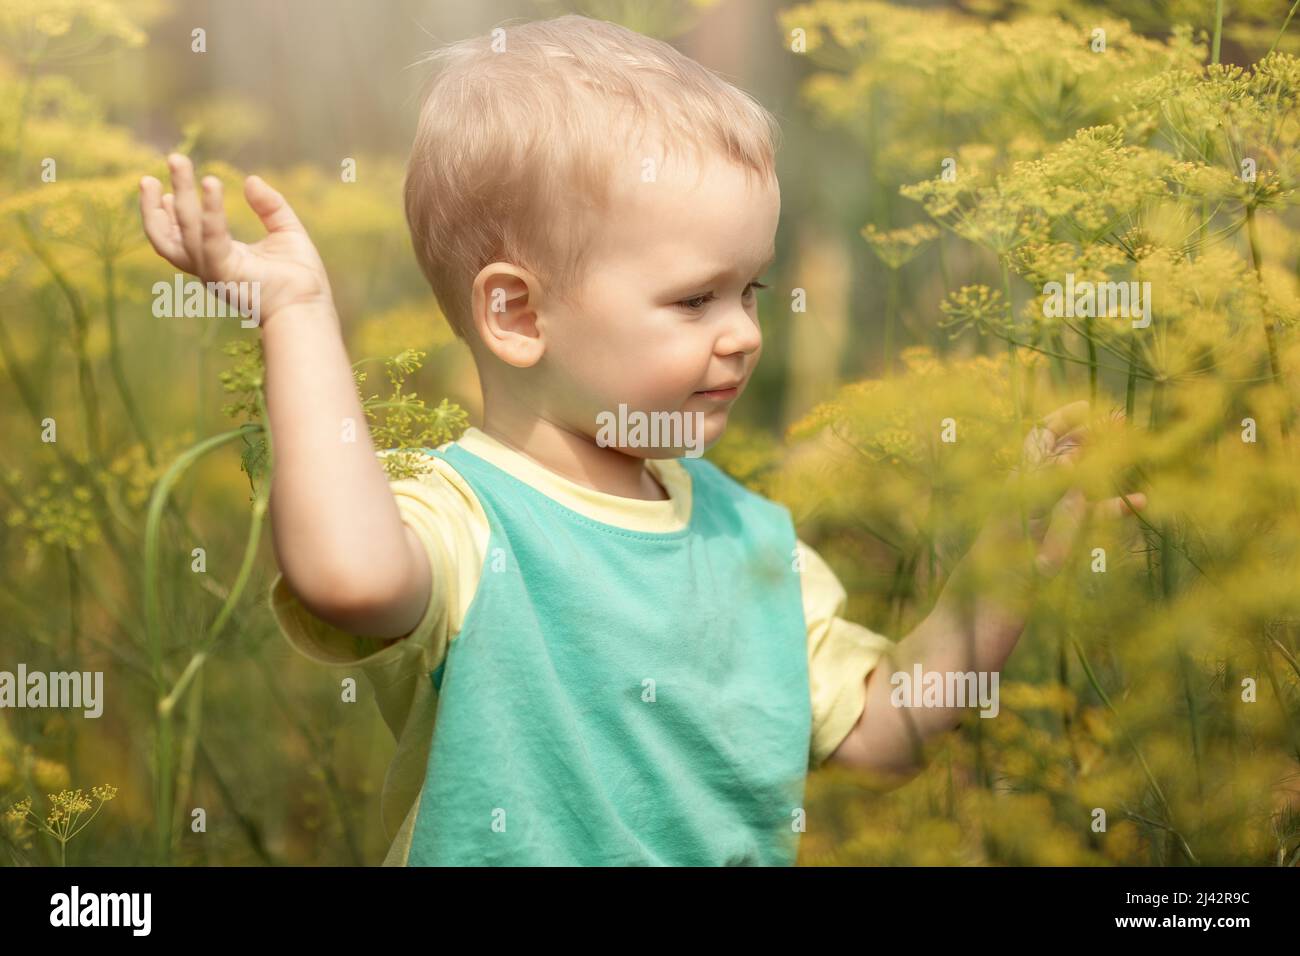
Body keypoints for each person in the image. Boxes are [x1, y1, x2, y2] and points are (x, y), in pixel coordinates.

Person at [138, 14, 1145, 866]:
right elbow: (348, 575)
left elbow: (883, 730)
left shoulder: (752, 543)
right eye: (693, 296)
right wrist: (297, 315)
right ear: (518, 315)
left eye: (749, 288)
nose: (747, 329)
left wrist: (1020, 541)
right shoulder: (465, 519)